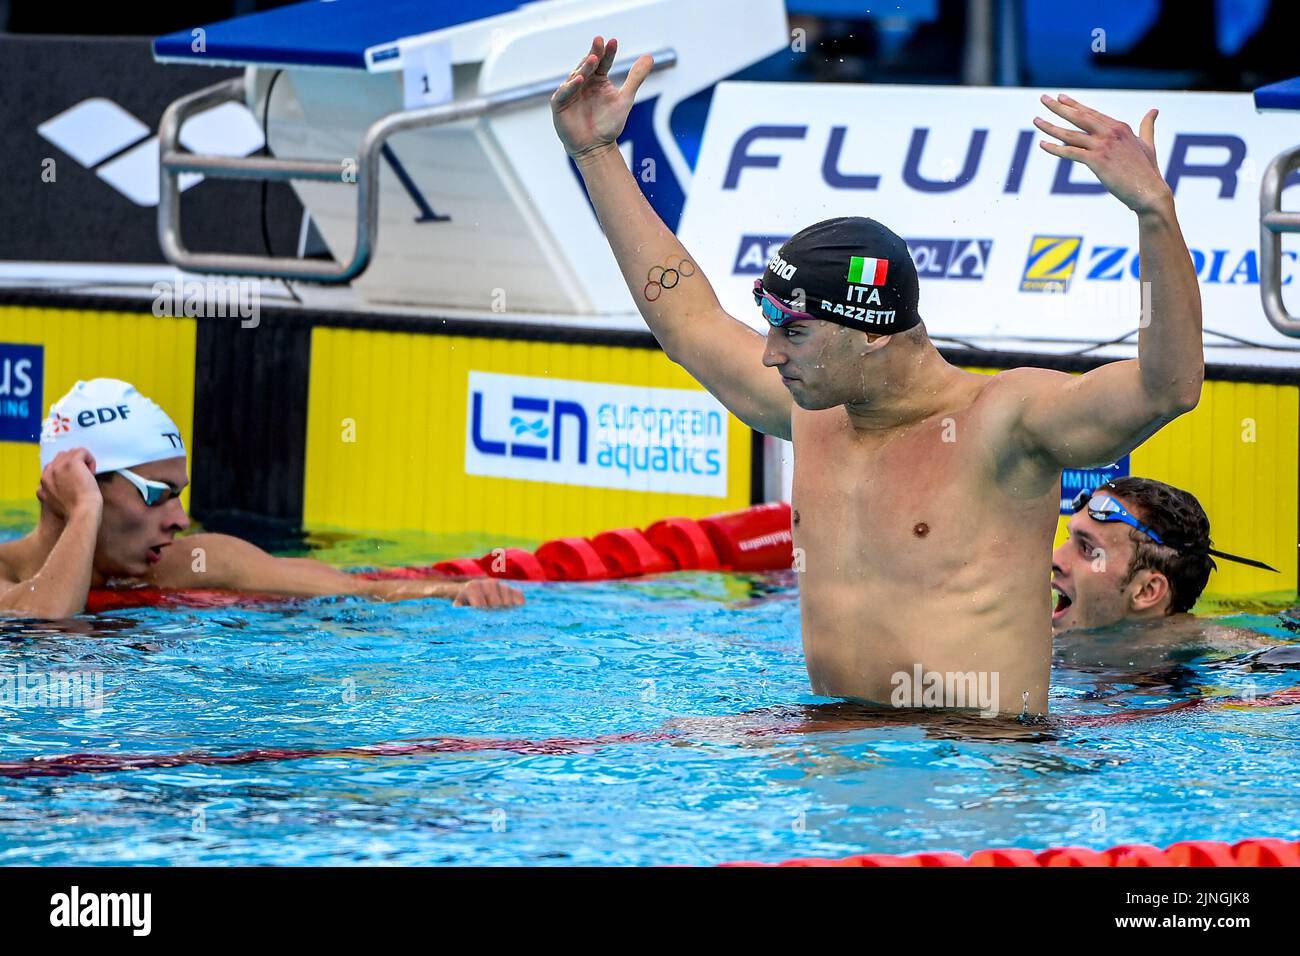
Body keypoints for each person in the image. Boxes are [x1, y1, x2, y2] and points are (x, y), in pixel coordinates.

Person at [552, 36, 1204, 716]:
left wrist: (1154, 213)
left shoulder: (1004, 425)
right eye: (771, 327)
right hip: (832, 753)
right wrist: (596, 154)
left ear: (871, 335)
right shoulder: (812, 409)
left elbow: (1170, 387)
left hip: (973, 775)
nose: (770, 354)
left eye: (794, 332)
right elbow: (687, 321)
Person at [0, 379, 524, 619]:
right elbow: (46, 623)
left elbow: (357, 589)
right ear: (80, 486)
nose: (179, 520)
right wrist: (84, 512)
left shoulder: (193, 563)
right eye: (157, 496)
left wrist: (456, 592)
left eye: (179, 496)